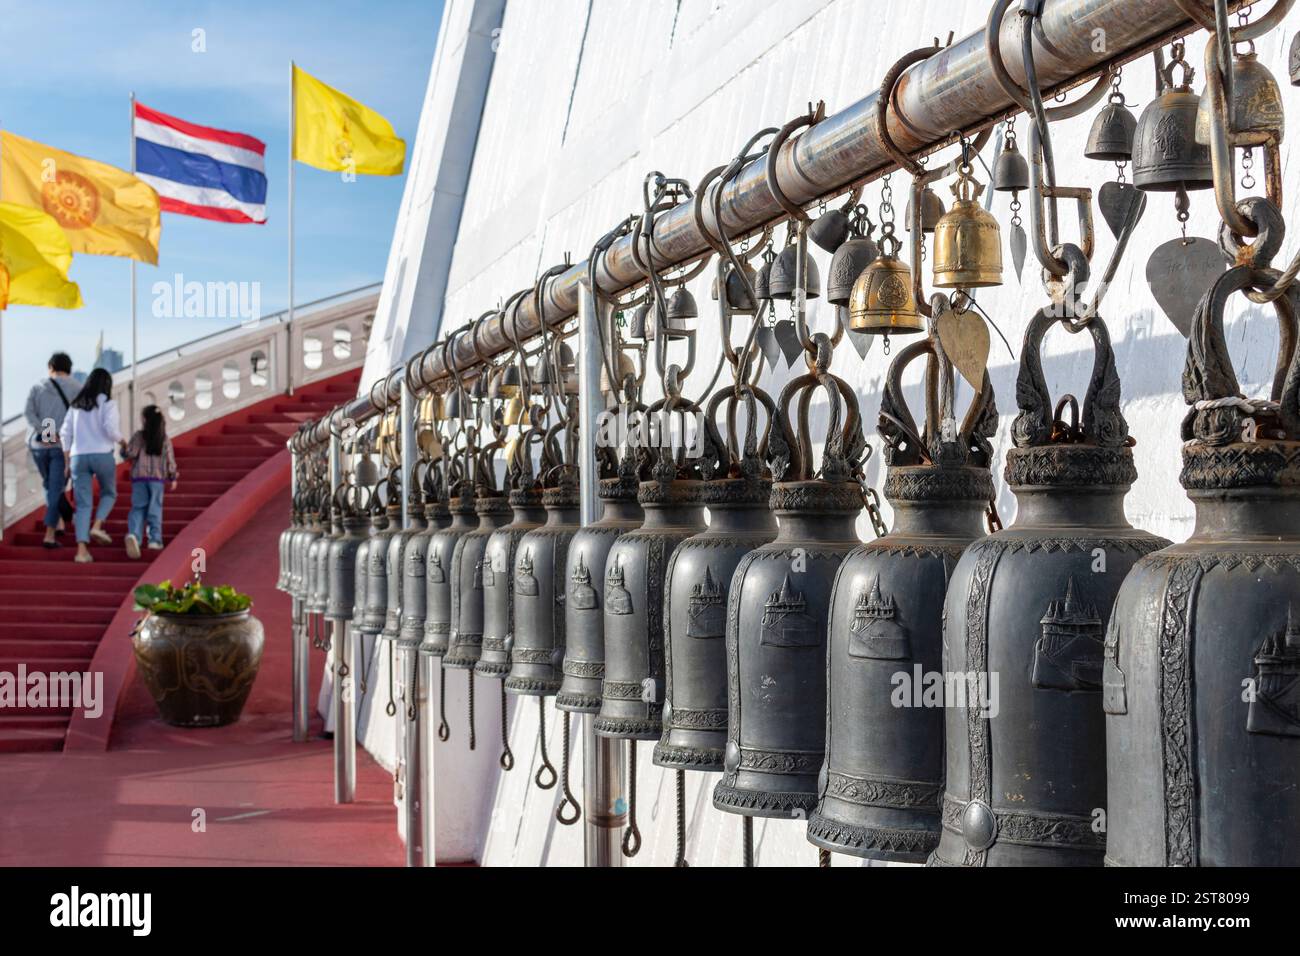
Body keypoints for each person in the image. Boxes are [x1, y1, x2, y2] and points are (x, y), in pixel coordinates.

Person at [58, 368, 122, 564]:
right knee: (109, 493)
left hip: (78, 457)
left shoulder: (75, 406)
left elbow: (64, 434)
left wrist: (67, 462)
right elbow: (111, 429)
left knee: (83, 504)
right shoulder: (108, 403)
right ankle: (97, 525)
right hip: (102, 454)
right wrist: (123, 441)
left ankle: (81, 551)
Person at [24, 352, 78, 548]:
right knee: (55, 488)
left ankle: (60, 521)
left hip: (38, 446)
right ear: (69, 368)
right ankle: (49, 534)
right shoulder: (76, 388)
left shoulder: (37, 386)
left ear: (50, 367)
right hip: (61, 447)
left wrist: (45, 430)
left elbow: (28, 413)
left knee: (50, 486)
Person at [122, 405, 178, 559]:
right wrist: (172, 477)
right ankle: (155, 539)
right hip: (157, 480)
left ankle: (134, 535)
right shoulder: (164, 439)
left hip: (139, 478)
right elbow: (170, 460)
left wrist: (123, 449)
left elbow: (130, 454)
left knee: (138, 508)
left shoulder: (139, 436)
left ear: (145, 420)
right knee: (155, 509)